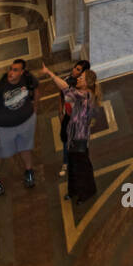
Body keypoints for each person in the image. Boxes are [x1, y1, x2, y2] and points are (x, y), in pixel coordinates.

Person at [40, 63, 100, 205]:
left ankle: (87, 192)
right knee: (74, 165)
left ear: (87, 83)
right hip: (74, 136)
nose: (79, 78)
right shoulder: (84, 94)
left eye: (82, 78)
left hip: (79, 138)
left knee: (81, 167)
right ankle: (73, 191)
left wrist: (49, 72)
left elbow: (65, 88)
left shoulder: (84, 96)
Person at [0, 57, 39, 193]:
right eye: (10, 69)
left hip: (25, 123)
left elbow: (36, 90)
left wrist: (34, 111)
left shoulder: (28, 78)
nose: (11, 72)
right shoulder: (2, 86)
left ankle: (29, 172)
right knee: (0, 153)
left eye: (15, 70)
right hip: (4, 128)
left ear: (22, 72)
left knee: (25, 148)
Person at [57, 59, 90, 178]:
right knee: (66, 140)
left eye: (78, 70)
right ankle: (66, 162)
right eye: (75, 68)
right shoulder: (67, 80)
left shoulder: (82, 88)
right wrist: (60, 112)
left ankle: (78, 165)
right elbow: (60, 96)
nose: (74, 71)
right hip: (68, 116)